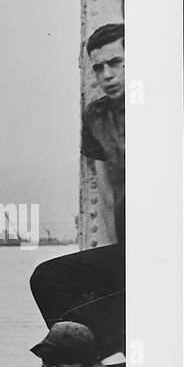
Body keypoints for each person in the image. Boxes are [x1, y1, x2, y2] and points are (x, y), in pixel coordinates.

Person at [81, 23, 125, 246]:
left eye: (115, 63)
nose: (106, 75)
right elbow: (107, 196)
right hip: (126, 241)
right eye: (99, 67)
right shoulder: (95, 116)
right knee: (47, 274)